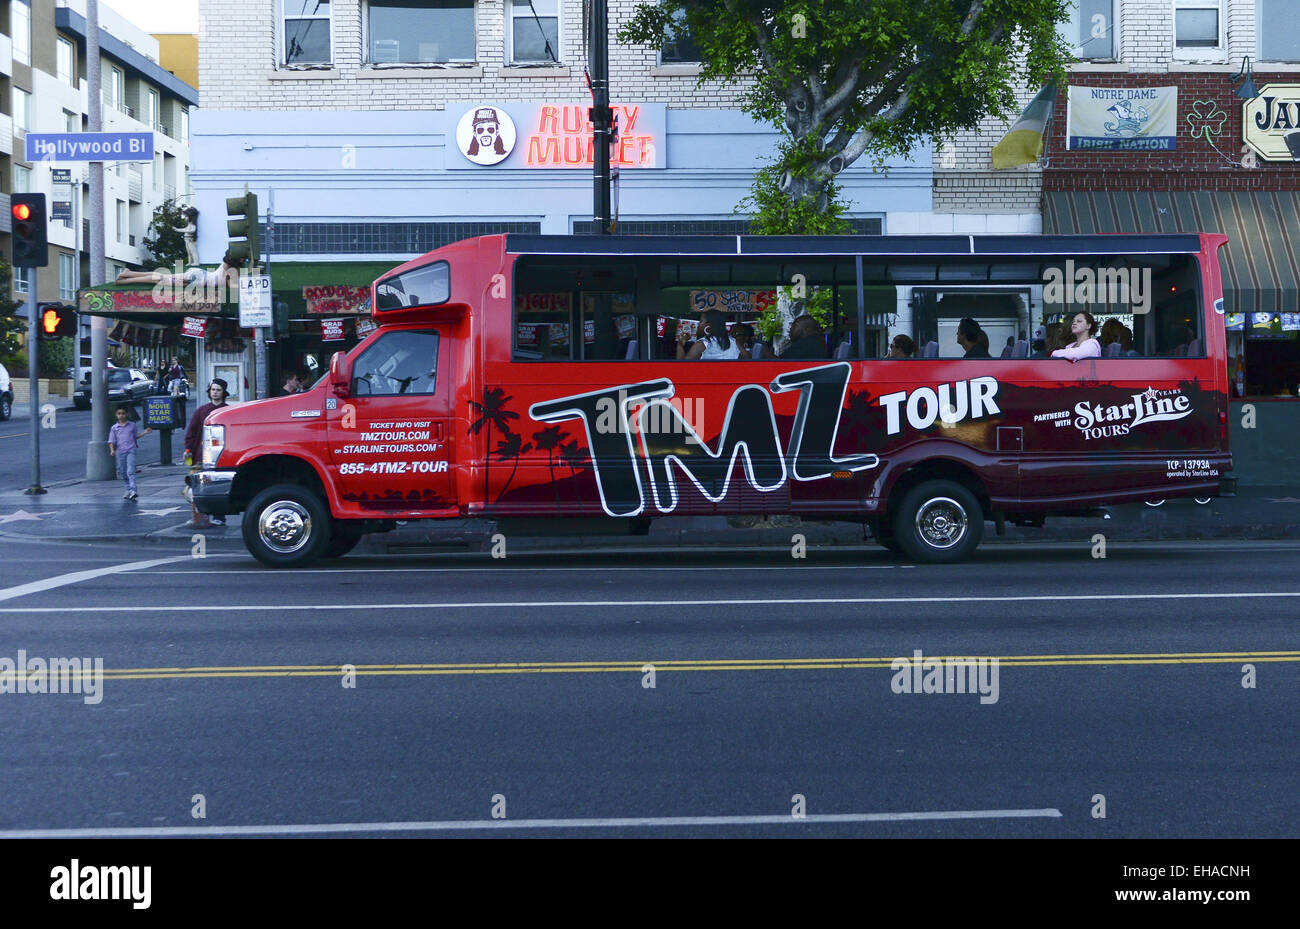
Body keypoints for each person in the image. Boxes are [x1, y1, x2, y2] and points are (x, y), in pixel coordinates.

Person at [185, 379, 230, 527]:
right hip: (200, 456)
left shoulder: (228, 411)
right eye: (213, 389)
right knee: (196, 488)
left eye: (218, 390)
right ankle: (198, 517)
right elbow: (191, 432)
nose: (215, 392)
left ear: (223, 392)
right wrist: (188, 450)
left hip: (221, 457)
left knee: (218, 487)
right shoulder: (201, 411)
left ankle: (219, 517)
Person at [115, 252, 245, 291]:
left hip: (199, 275)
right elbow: (234, 288)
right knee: (161, 279)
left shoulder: (227, 265)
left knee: (162, 277)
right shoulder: (232, 271)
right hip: (199, 280)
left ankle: (129, 274)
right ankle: (126, 280)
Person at [108, 404, 152, 501]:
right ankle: (128, 489)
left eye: (123, 413)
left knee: (130, 471)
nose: (121, 415)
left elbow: (135, 436)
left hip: (131, 450)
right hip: (120, 451)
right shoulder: (114, 428)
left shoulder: (132, 425)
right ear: (116, 415)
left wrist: (144, 432)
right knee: (123, 472)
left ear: (126, 414)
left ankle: (133, 490)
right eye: (119, 414)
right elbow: (111, 441)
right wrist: (112, 450)